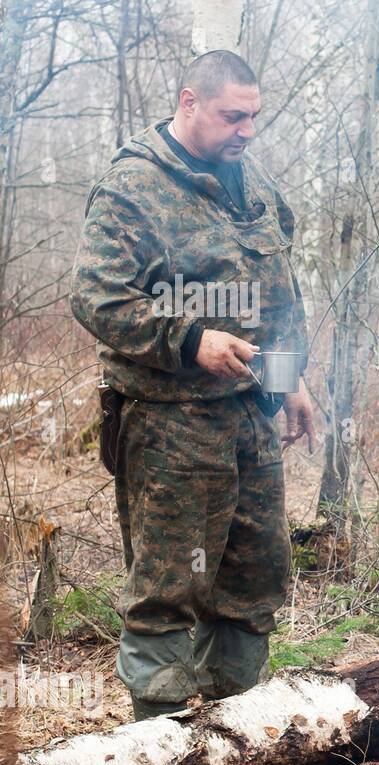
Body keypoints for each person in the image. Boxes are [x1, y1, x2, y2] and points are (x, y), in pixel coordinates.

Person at [71, 50, 316, 720]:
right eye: (232, 116)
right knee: (169, 591)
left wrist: (289, 378)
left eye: (254, 116)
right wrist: (191, 340)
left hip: (250, 418)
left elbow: (280, 293)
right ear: (189, 103)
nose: (246, 130)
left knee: (254, 580)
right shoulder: (133, 187)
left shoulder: (252, 181)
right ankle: (163, 763)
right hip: (169, 424)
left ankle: (236, 745)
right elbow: (97, 298)